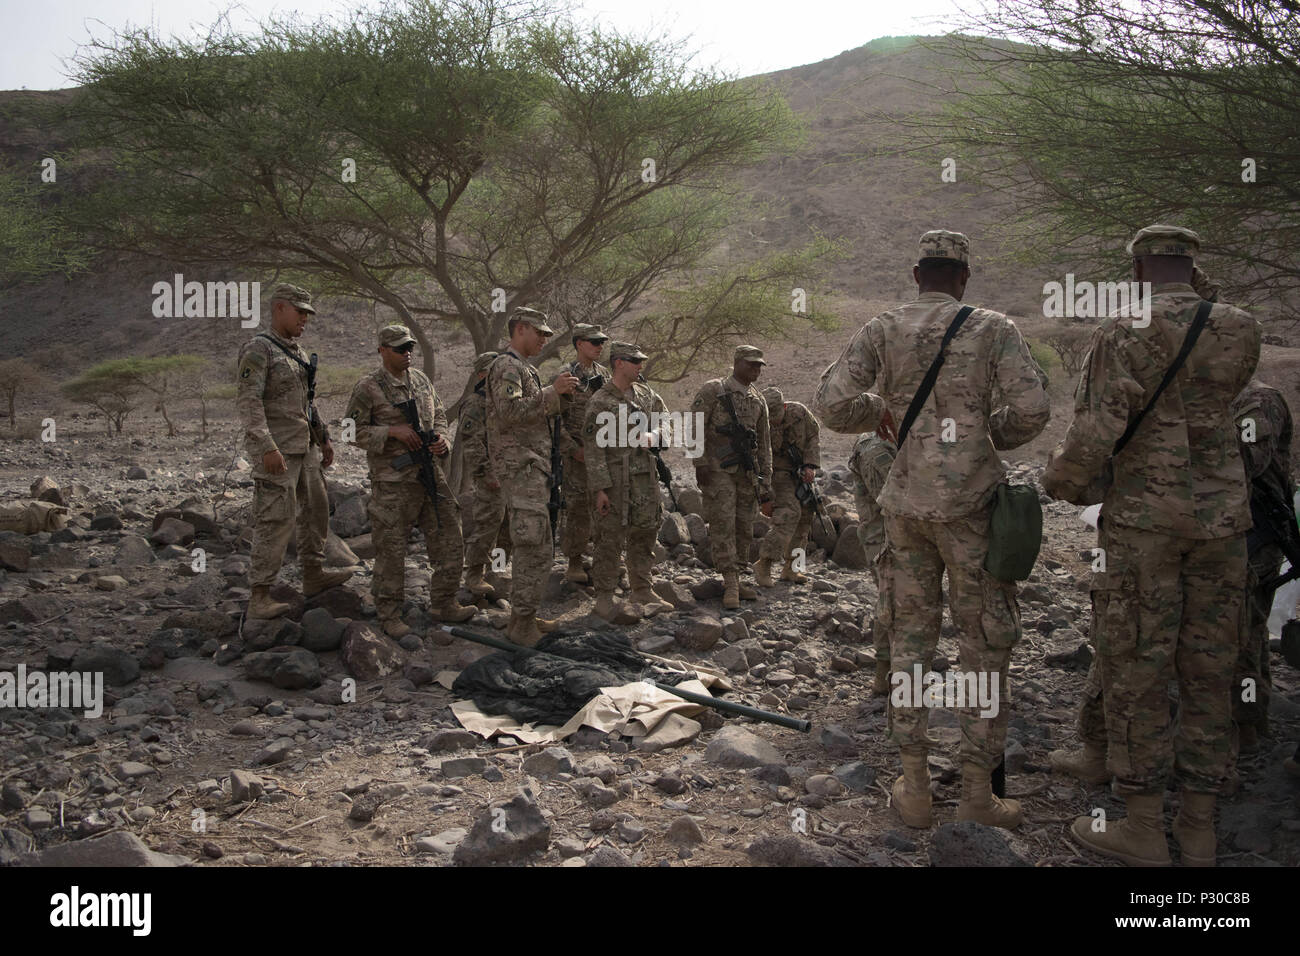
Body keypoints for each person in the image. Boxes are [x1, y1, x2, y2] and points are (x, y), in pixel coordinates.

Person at [815, 229, 1050, 830]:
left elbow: (835, 404)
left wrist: (886, 412)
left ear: (917, 274)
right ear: (963, 279)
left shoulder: (883, 327)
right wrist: (981, 436)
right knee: (985, 646)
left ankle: (915, 788)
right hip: (972, 506)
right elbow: (1031, 411)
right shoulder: (995, 327)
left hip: (906, 506)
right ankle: (977, 792)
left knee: (911, 643)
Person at [1043, 224, 1259, 867]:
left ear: (1137, 267)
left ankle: (1140, 827)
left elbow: (1099, 427)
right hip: (1223, 522)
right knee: (1210, 670)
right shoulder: (1241, 326)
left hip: (1144, 524)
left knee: (1137, 665)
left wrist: (1063, 485)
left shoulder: (1123, 328)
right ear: (1193, 267)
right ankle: (1198, 828)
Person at [346, 325, 476, 638]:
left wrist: (442, 439)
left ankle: (443, 602)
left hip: (430, 475)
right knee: (391, 549)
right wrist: (390, 432)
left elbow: (441, 415)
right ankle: (389, 614)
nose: (406, 353)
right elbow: (349, 432)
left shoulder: (420, 380)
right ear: (382, 350)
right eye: (399, 348)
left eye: (409, 348)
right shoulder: (368, 387)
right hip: (393, 482)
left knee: (450, 536)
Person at [236, 283, 352, 619]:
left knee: (316, 511)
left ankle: (313, 575)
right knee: (275, 519)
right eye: (299, 312)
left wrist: (324, 437)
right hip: (278, 451)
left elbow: (307, 402)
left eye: (307, 313)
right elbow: (249, 402)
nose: (305, 319)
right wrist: (267, 446)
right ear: (279, 309)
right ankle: (260, 594)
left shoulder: (298, 353)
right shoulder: (260, 350)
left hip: (305, 448)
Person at [486, 308, 579, 646]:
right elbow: (510, 412)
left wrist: (558, 396)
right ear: (520, 329)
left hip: (533, 467)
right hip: (520, 467)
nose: (543, 339)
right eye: (539, 333)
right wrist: (552, 392)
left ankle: (522, 614)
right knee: (533, 545)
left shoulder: (524, 369)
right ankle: (521, 623)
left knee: (538, 542)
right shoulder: (506, 366)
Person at [581, 342, 677, 622]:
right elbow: (592, 447)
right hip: (614, 480)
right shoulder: (600, 401)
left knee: (645, 532)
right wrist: (599, 489)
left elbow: (667, 419)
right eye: (634, 360)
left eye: (641, 360)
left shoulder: (646, 394)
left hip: (645, 477)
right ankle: (605, 596)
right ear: (618, 363)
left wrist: (656, 435)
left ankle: (641, 588)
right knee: (608, 538)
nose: (640, 365)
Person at [1230, 381, 1294, 753]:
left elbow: (1246, 461)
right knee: (1245, 633)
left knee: (1245, 635)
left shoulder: (1258, 400)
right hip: (1239, 533)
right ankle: (1252, 718)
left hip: (1256, 536)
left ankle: (1247, 726)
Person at [690, 346, 774, 610]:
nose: (756, 369)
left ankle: (737, 574)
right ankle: (730, 581)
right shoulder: (714, 390)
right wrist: (700, 462)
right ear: (736, 363)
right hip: (717, 470)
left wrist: (766, 478)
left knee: (744, 526)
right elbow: (694, 425)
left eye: (759, 366)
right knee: (723, 523)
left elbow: (764, 442)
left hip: (746, 473)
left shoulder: (758, 400)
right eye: (751, 364)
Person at [555, 324, 611, 584]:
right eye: (593, 342)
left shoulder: (606, 376)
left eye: (601, 342)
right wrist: (572, 449)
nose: (599, 346)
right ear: (579, 344)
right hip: (577, 454)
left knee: (605, 506)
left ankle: (605, 560)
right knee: (577, 507)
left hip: (603, 453)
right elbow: (555, 420)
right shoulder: (565, 376)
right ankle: (575, 561)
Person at [848, 417, 898, 696]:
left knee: (901, 604)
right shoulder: (875, 449)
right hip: (884, 540)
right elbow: (896, 501)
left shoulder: (898, 440)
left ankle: (895, 673)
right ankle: (885, 674)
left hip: (899, 537)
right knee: (892, 604)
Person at [755, 387, 823, 587]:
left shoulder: (799, 413)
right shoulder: (760, 425)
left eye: (777, 415)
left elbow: (813, 437)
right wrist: (764, 495)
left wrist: (810, 465)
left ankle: (794, 569)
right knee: (788, 514)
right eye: (771, 417)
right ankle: (764, 563)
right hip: (777, 475)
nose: (774, 421)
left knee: (805, 517)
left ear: (785, 406)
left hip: (801, 473)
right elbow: (758, 460)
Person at [460, 351, 512, 598]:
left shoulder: (504, 401)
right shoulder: (475, 403)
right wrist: (485, 472)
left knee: (507, 526)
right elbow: (471, 442)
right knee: (488, 524)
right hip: (490, 476)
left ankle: (498, 568)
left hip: (511, 473)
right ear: (482, 374)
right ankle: (474, 574)